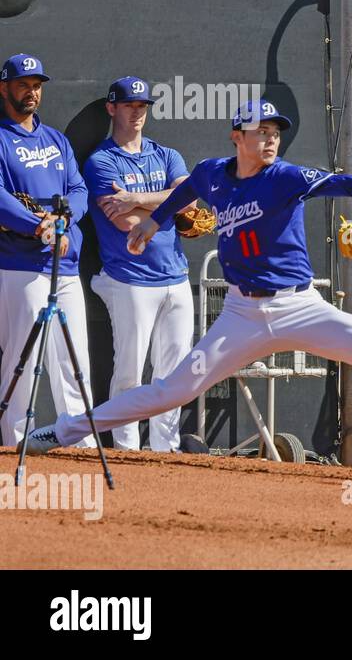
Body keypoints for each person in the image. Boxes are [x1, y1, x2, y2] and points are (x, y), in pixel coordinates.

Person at [23, 99, 352, 486]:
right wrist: (154, 219)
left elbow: (343, 182)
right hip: (241, 313)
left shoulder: (287, 176)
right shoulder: (214, 172)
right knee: (173, 390)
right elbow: (188, 190)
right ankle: (65, 431)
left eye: (275, 131)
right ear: (238, 138)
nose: (271, 138)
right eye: (261, 132)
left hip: (299, 306)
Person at [84, 76, 196, 451]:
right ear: (112, 108)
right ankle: (127, 449)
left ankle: (167, 449)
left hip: (176, 275)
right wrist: (162, 201)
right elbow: (126, 223)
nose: (137, 112)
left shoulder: (166, 154)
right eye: (130, 105)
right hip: (130, 278)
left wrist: (135, 196)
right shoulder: (101, 161)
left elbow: (191, 203)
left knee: (174, 374)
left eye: (143, 106)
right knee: (130, 373)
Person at [0, 53, 95, 448]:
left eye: (37, 85)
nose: (32, 92)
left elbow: (79, 190)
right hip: (20, 264)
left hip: (65, 265)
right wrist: (37, 225)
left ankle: (80, 443)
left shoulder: (56, 139)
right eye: (23, 84)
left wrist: (64, 223)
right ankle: (13, 441)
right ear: (4, 87)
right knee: (22, 358)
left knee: (75, 364)